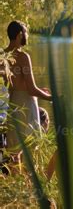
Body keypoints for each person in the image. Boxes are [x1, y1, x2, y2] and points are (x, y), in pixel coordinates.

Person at [4, 21, 52, 165]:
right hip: (26, 104)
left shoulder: (3, 55)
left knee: (14, 152)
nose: (27, 36)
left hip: (12, 104)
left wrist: (39, 90)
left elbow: (13, 84)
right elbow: (31, 89)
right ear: (19, 35)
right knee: (30, 151)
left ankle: (16, 182)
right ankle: (30, 184)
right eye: (26, 33)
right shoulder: (23, 57)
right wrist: (50, 97)